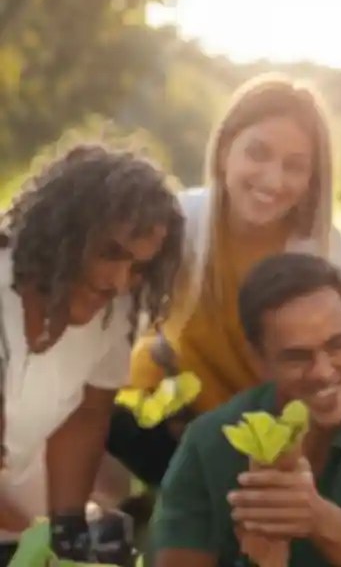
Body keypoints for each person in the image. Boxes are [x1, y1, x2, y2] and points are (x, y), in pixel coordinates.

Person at [108, 73, 341, 488]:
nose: (273, 180)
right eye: (258, 154)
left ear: (312, 178)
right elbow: (116, 323)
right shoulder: (179, 222)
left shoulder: (323, 251)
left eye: (294, 166)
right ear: (224, 150)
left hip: (267, 442)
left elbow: (328, 376)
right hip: (163, 425)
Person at [150, 252, 341, 567]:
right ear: (257, 359)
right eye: (297, 357)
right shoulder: (209, 442)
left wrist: (314, 517)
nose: (323, 372)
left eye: (337, 345)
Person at [0, 142, 185, 563]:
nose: (120, 282)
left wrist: (67, 531)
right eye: (110, 253)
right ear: (62, 233)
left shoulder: (115, 311)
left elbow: (86, 415)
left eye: (139, 267)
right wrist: (32, 538)